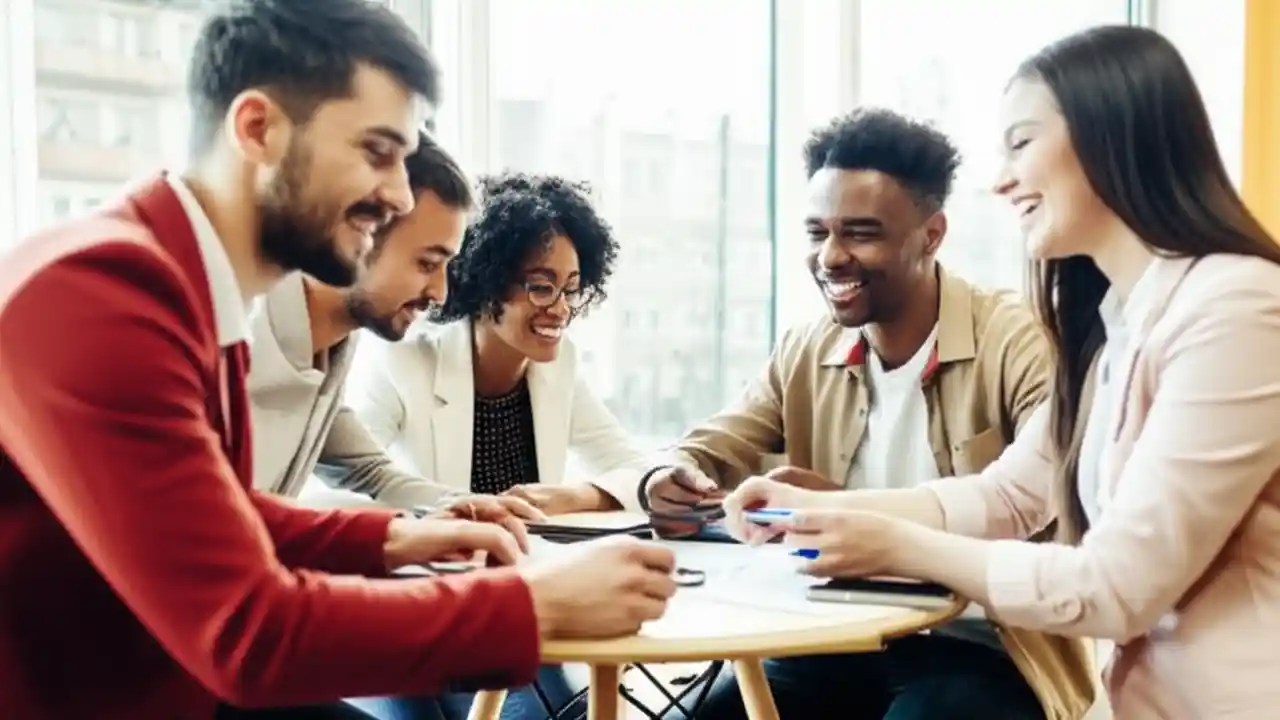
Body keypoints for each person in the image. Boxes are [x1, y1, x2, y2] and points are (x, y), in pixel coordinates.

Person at [0, 3, 676, 719]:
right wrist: (533, 604)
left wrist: (401, 535)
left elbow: (219, 519)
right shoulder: (103, 295)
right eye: (376, 152)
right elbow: (248, 633)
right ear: (257, 129)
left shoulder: (187, 287)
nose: (394, 194)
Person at [721, 25, 1280, 720]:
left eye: (1022, 142)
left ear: (1111, 133)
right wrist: (824, 513)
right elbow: (1009, 496)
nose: (1003, 178)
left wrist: (898, 544)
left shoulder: (1238, 307)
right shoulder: (1114, 328)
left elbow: (1118, 586)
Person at [644, 109, 1093, 719]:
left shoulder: (1016, 339)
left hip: (982, 645)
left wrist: (838, 506)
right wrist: (668, 476)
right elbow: (711, 443)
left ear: (931, 235)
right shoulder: (806, 349)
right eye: (816, 232)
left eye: (860, 232)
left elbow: (1046, 508)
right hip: (830, 637)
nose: (830, 257)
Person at [249, 131, 539, 523]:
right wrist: (394, 538)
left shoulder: (330, 345)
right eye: (426, 264)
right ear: (356, 234)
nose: (440, 293)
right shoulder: (241, 343)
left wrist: (474, 506)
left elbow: (371, 471)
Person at [350, 172, 648, 515]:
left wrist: (576, 497)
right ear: (488, 283)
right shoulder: (406, 361)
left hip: (534, 560)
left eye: (570, 289)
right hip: (443, 561)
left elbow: (637, 471)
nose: (561, 308)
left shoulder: (561, 365)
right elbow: (348, 484)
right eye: (541, 287)